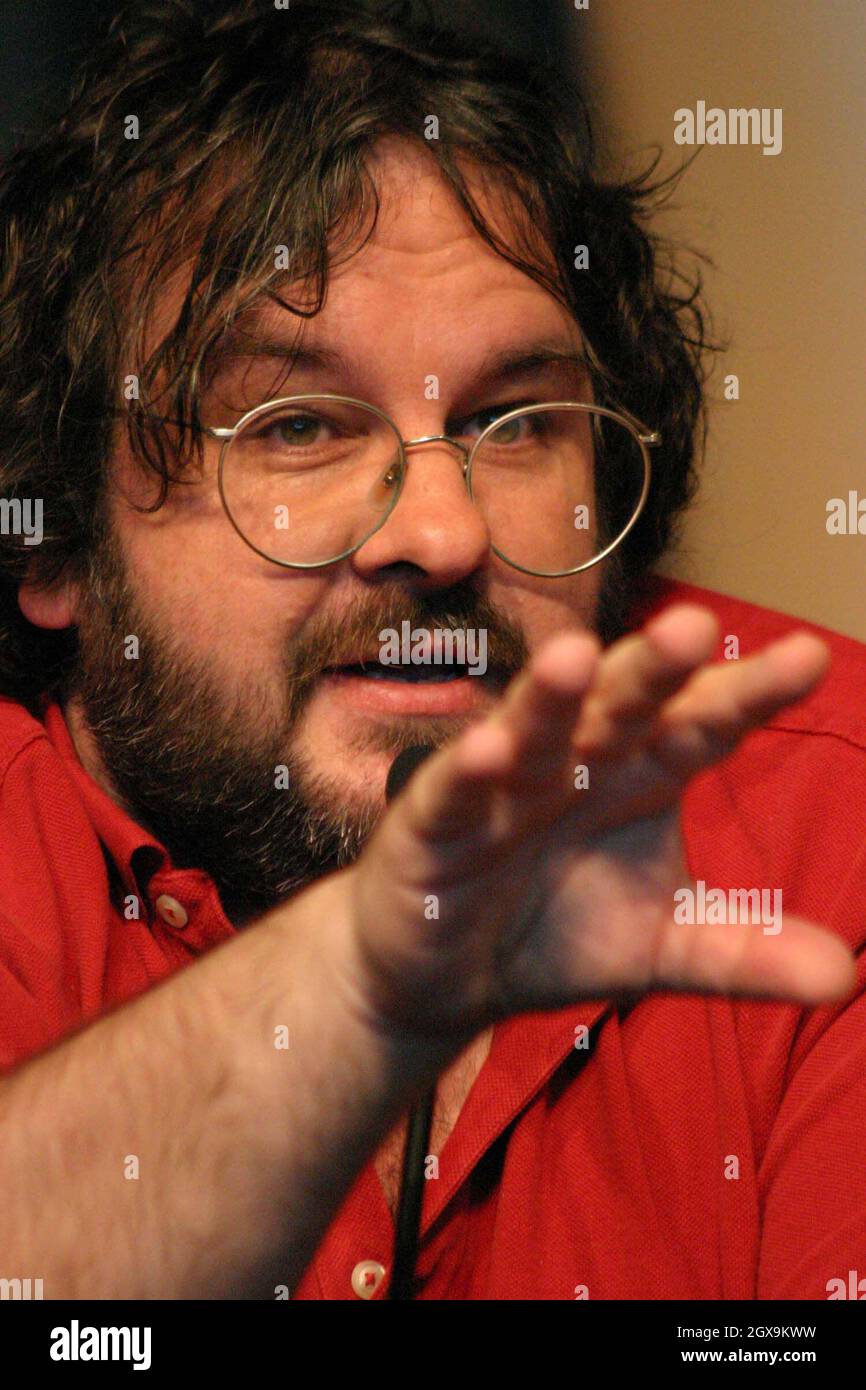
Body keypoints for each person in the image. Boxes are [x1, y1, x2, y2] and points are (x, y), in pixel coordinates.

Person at [0, 0, 863, 1301]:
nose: (444, 530)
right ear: (55, 540)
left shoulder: (825, 819)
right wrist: (361, 983)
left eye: (514, 420)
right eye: (295, 425)